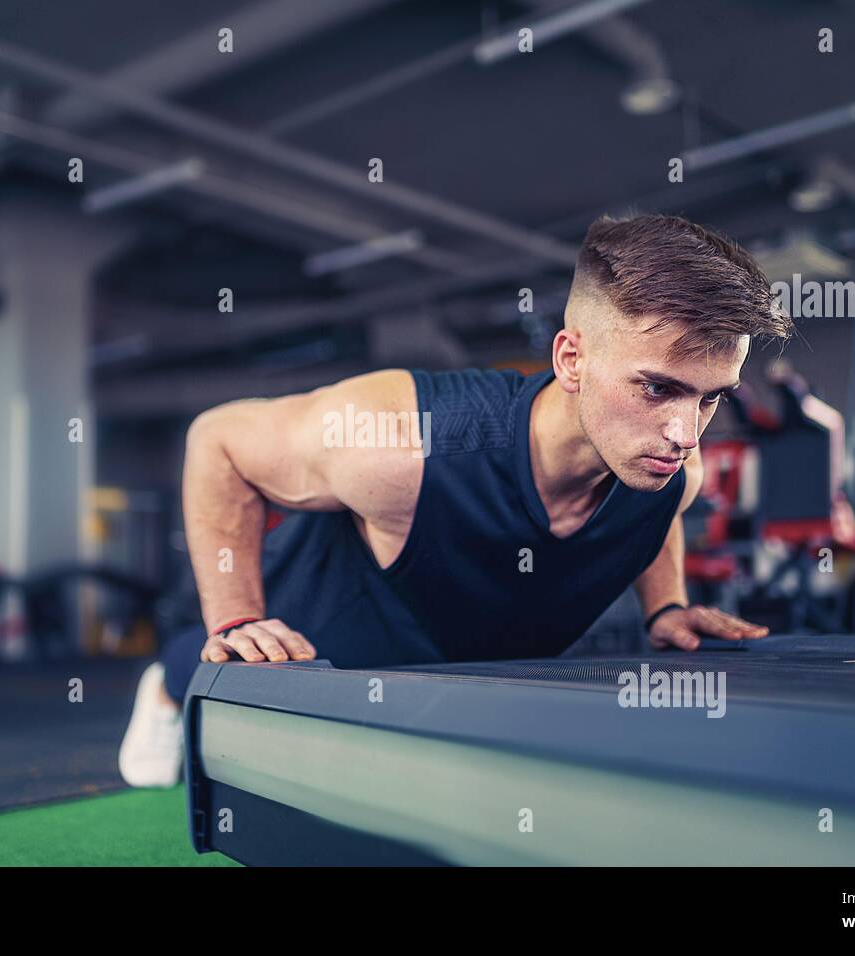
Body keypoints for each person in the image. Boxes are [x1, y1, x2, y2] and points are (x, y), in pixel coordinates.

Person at [119, 214, 792, 787]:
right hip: (323, 638)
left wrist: (665, 607)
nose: (684, 434)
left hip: (455, 680)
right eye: (656, 389)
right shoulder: (397, 443)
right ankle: (169, 687)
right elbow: (218, 440)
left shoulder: (674, 469)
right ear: (570, 359)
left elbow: (653, 518)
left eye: (711, 399)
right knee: (223, 668)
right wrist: (235, 618)